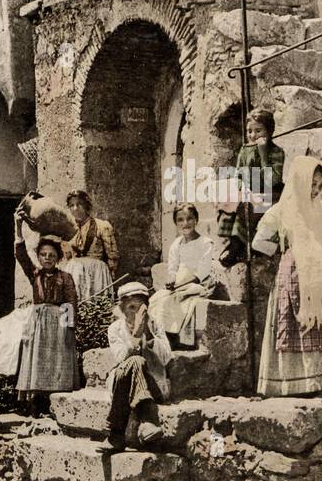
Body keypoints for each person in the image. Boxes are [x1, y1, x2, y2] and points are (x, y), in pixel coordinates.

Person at [251, 154, 322, 398]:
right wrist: (284, 251)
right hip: (294, 274)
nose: (315, 190)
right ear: (299, 182)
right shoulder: (282, 210)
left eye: (319, 185)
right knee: (297, 323)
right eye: (311, 184)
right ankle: (296, 385)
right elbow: (259, 240)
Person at [13, 222, 80, 415]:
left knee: (57, 361)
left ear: (58, 257)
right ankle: (37, 405)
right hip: (39, 323)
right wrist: (18, 228)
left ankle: (56, 406)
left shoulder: (65, 277)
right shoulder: (35, 274)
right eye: (43, 255)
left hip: (59, 323)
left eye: (51, 255)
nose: (47, 258)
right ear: (39, 257)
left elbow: (71, 302)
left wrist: (68, 329)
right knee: (38, 360)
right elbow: (21, 254)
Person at [217, 108, 285, 269]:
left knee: (251, 205)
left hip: (270, 193)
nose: (253, 135)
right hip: (249, 190)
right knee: (228, 198)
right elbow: (239, 174)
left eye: (258, 131)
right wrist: (241, 188)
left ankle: (246, 245)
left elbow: (272, 180)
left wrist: (262, 154)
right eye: (249, 131)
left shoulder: (276, 152)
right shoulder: (244, 150)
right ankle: (234, 243)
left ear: (269, 131)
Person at [107, 281, 172, 450]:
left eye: (138, 303)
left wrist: (149, 335)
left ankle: (116, 433)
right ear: (121, 307)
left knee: (139, 362)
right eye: (129, 304)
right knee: (135, 361)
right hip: (124, 382)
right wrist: (135, 337)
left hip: (153, 384)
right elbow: (120, 357)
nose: (134, 309)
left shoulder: (155, 324)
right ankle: (147, 420)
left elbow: (166, 358)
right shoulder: (115, 329)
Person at [149, 203, 216, 348]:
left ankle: (176, 339)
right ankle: (162, 337)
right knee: (157, 299)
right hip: (179, 282)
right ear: (175, 223)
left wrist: (179, 285)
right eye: (180, 220)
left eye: (189, 219)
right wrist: (171, 280)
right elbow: (173, 268)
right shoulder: (176, 244)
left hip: (198, 283)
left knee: (178, 298)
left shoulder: (205, 243)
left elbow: (201, 273)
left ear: (196, 220)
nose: (185, 223)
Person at [62, 190, 120, 354]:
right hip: (75, 271)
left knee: (95, 307)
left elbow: (112, 255)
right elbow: (66, 256)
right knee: (77, 305)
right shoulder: (68, 229)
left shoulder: (102, 226)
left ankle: (96, 345)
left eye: (79, 204)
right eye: (72, 205)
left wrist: (111, 275)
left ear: (86, 206)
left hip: (96, 272)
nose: (75, 208)